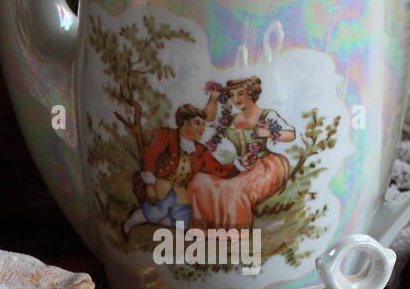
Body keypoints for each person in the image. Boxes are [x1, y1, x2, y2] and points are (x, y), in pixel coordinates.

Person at [188, 76, 294, 229]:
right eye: (232, 95)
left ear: (251, 93)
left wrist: (268, 132)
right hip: (238, 164)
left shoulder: (266, 115)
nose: (235, 98)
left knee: (236, 188)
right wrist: (213, 99)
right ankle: (207, 229)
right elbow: (207, 120)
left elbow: (290, 134)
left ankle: (236, 231)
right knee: (199, 182)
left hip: (262, 164)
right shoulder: (229, 118)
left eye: (240, 93)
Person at [122, 104, 238, 238]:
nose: (202, 128)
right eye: (197, 123)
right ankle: (129, 223)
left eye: (203, 124)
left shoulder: (200, 150)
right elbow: (150, 156)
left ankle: (163, 220)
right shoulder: (166, 135)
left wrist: (240, 166)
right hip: (160, 185)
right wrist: (150, 185)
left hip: (180, 191)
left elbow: (218, 168)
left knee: (183, 223)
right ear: (185, 123)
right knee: (155, 211)